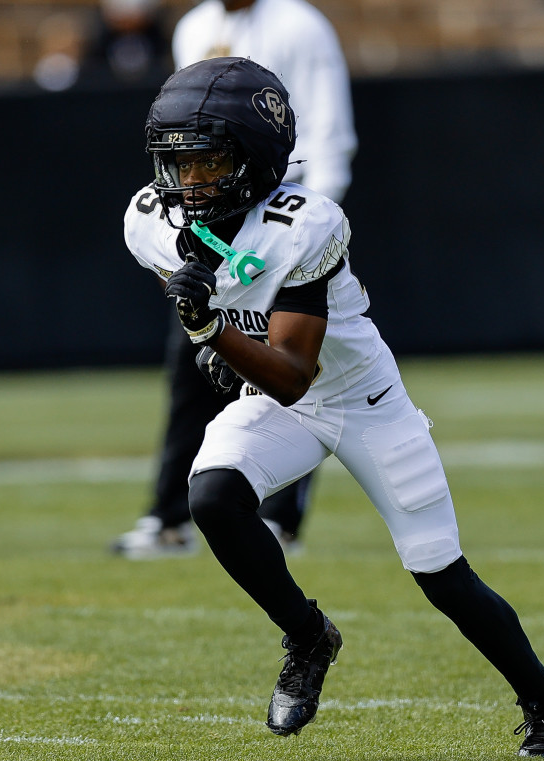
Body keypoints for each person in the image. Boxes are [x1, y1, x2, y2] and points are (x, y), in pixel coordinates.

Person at [121, 56, 544, 754]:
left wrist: (214, 332)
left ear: (256, 157)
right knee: (211, 497)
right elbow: (186, 282)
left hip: (360, 399)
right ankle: (308, 636)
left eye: (210, 163)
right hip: (274, 394)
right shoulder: (150, 217)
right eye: (179, 165)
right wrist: (217, 333)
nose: (191, 182)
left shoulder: (305, 225)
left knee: (441, 574)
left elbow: (295, 373)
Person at [112, 0, 357, 558]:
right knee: (189, 368)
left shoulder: (300, 23)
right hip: (209, 222)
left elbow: (329, 128)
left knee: (291, 371)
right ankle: (169, 516)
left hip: (279, 224)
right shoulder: (196, 26)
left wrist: (302, 238)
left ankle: (275, 517)